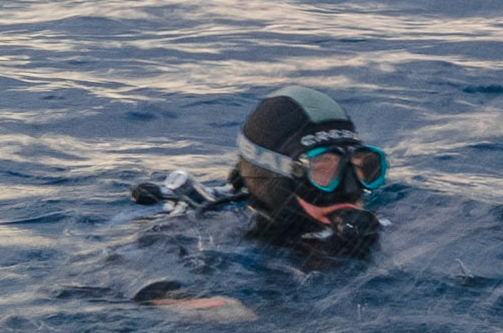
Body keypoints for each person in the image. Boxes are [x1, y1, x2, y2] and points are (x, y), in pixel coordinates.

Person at [132, 90, 391, 254]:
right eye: (322, 170)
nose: (350, 189)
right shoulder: (215, 241)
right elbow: (123, 281)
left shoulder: (392, 225)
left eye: (360, 169)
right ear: (276, 181)